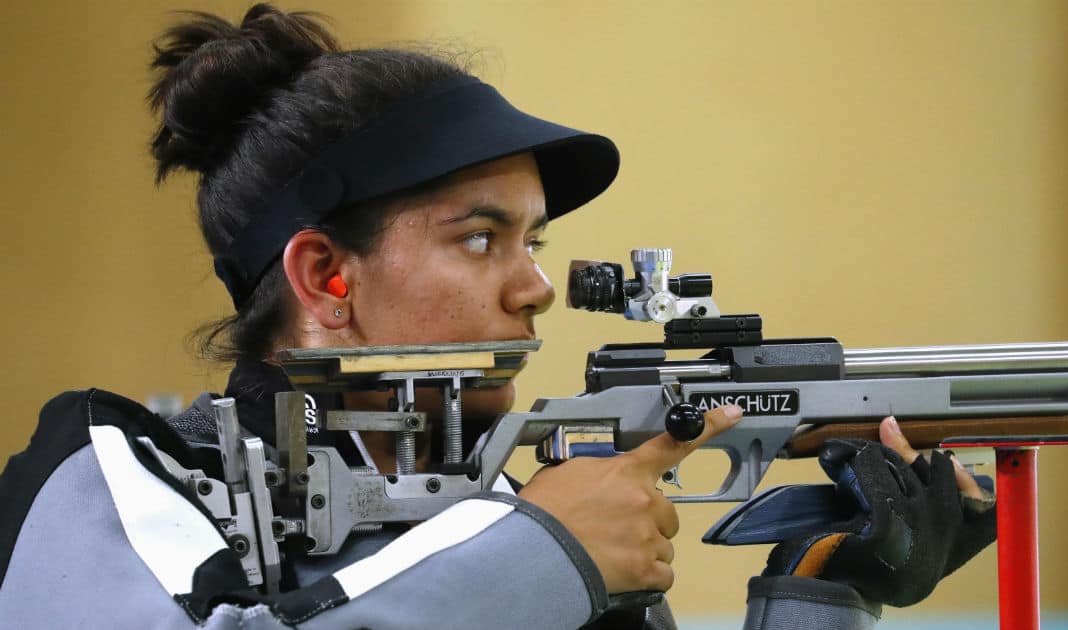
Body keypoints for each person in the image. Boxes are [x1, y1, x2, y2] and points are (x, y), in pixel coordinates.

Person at [0, 5, 995, 629]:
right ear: (325, 275)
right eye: (480, 239)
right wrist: (539, 552)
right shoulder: (110, 472)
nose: (536, 287)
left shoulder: (514, 512)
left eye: (535, 241)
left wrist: (823, 590)